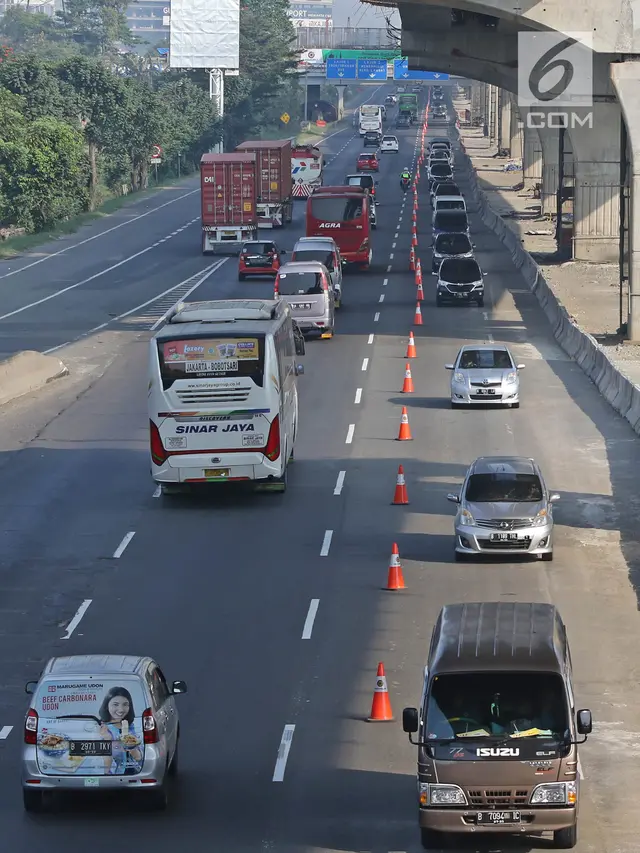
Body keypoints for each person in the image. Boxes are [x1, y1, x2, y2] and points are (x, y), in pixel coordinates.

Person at [98, 686, 143, 775]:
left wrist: (131, 746)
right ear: (107, 706)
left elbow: (139, 758)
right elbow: (100, 765)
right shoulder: (100, 729)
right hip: (112, 776)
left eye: (125, 704)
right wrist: (107, 740)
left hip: (132, 774)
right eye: (115, 704)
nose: (121, 709)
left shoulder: (132, 727)